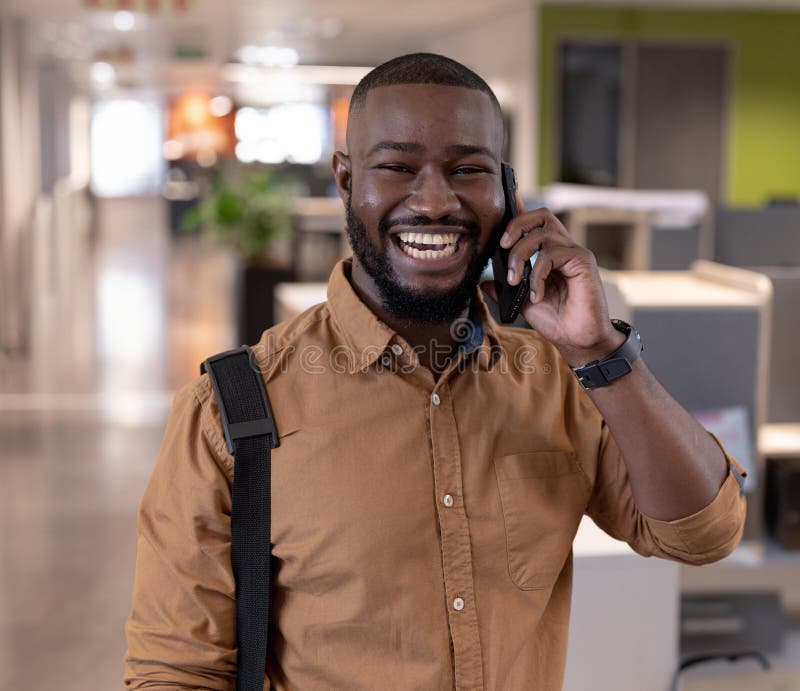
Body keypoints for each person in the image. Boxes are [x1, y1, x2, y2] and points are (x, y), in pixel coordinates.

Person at [124, 53, 747, 690]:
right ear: (346, 181)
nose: (433, 200)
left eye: (468, 170)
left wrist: (599, 352)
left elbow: (706, 533)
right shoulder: (231, 408)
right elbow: (176, 670)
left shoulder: (561, 381)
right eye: (396, 167)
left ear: (507, 193)